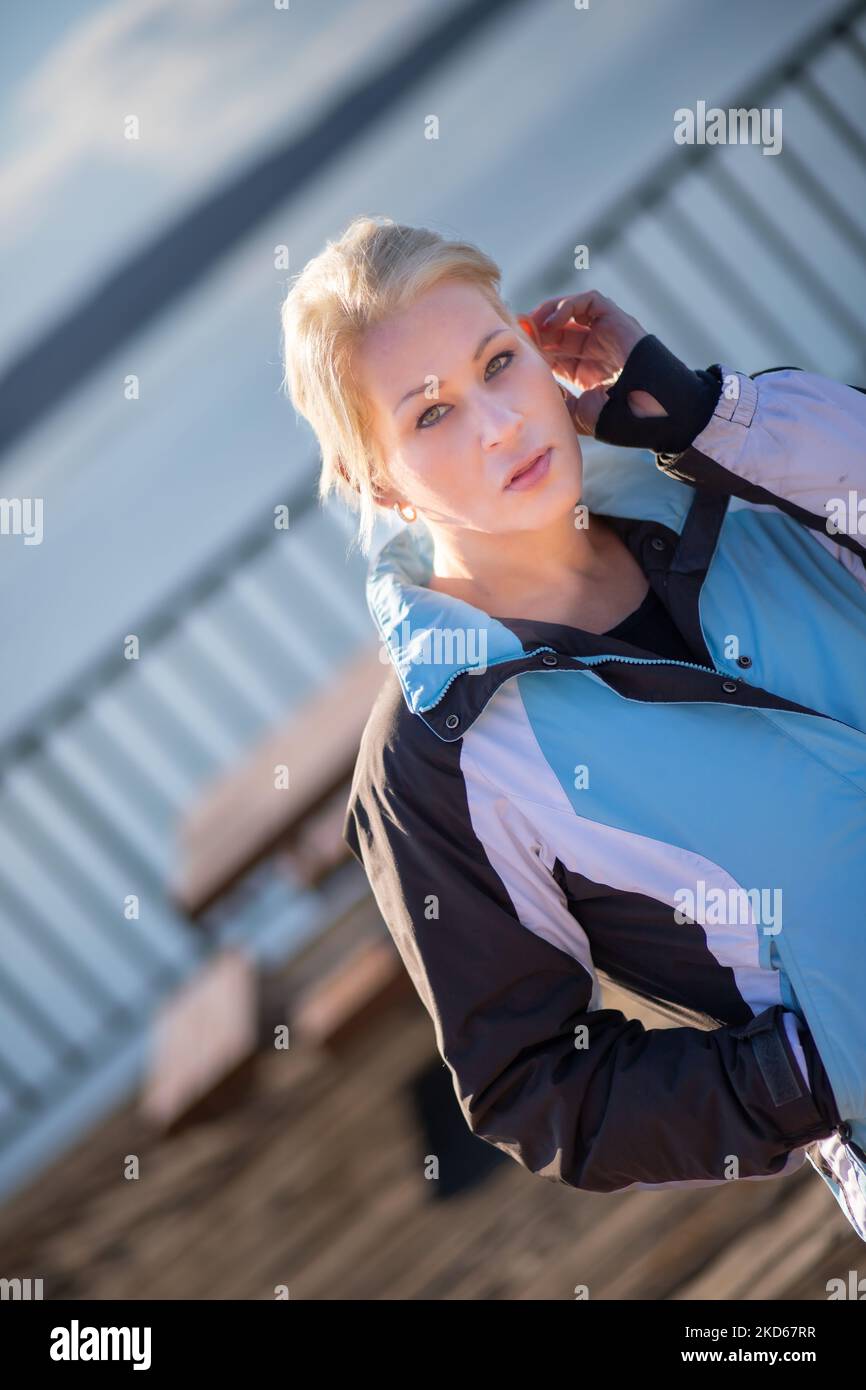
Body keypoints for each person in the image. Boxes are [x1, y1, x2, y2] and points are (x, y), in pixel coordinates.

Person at [280, 214, 866, 1240]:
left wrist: (709, 415)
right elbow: (533, 1088)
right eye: (430, 416)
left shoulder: (735, 471)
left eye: (497, 362)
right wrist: (807, 1074)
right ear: (377, 483)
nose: (500, 423)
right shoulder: (435, 765)